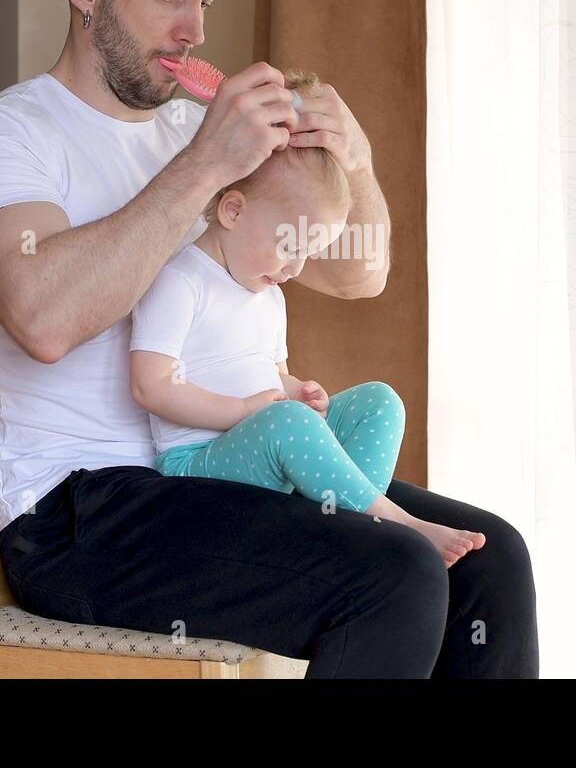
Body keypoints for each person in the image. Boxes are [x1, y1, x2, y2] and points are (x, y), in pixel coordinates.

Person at [0, 0, 538, 677]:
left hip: (221, 468)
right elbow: (42, 318)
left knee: (493, 563)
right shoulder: (4, 137)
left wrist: (353, 161)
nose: (193, 31)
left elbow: (359, 272)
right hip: (79, 512)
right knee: (392, 572)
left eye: (206, 3)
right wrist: (203, 165)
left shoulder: (200, 128)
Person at [129, 73, 487, 568]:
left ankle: (343, 531)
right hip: (199, 466)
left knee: (379, 402)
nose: (296, 268)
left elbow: (271, 375)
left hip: (264, 439)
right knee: (285, 423)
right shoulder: (180, 280)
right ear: (233, 210)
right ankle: (395, 524)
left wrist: (295, 389)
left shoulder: (267, 289)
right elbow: (151, 387)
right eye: (291, 246)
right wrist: (247, 411)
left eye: (309, 253)